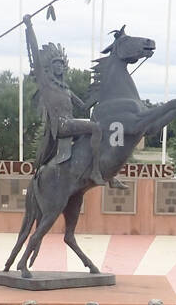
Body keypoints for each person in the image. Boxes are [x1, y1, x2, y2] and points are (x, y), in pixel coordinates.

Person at [22, 11, 116, 188]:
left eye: (61, 63)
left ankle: (104, 173)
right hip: (62, 126)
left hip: (71, 122)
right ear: (50, 66)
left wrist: (104, 94)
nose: (60, 66)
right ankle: (96, 172)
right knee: (95, 129)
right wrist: (29, 27)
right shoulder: (47, 83)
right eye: (56, 63)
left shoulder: (66, 89)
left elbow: (84, 106)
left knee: (99, 128)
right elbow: (34, 53)